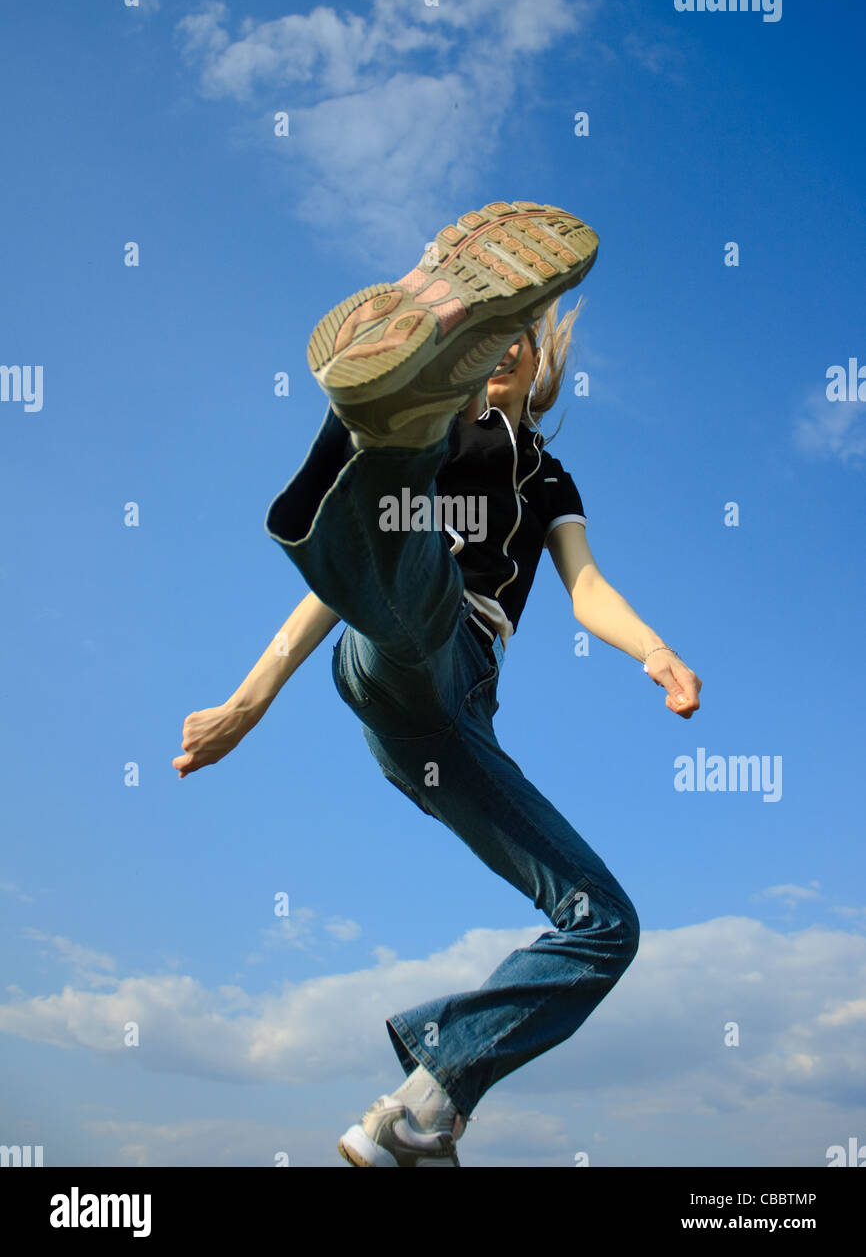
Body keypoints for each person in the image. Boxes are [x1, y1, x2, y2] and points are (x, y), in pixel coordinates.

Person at [173, 199, 702, 1167]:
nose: (504, 350)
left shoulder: (546, 477)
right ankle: (379, 430)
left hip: (447, 724)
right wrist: (249, 700)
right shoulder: (459, 434)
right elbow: (334, 602)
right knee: (406, 581)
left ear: (538, 365)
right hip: (408, 640)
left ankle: (421, 1111)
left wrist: (652, 649)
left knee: (602, 924)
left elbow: (585, 587)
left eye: (514, 338)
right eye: (487, 335)